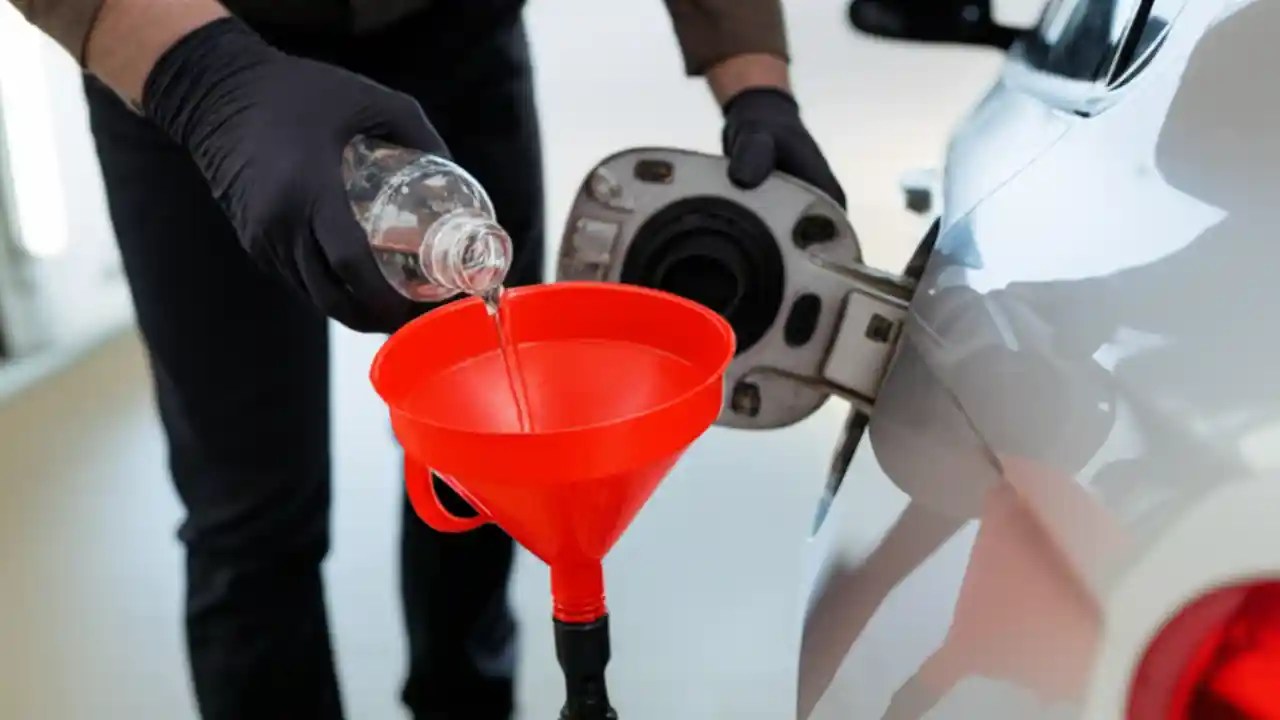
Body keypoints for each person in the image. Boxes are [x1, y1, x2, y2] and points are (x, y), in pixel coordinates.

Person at [10, 0, 846, 717]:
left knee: (484, 475)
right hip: (187, 54)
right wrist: (202, 76)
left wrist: (755, 82)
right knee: (249, 518)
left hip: (451, 44)